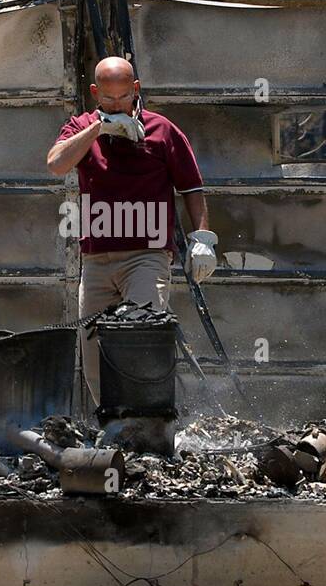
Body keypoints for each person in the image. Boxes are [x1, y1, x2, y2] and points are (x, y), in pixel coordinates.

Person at [46, 56, 217, 405]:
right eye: (108, 99)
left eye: (123, 97)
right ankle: (112, 426)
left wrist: (202, 239)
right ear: (95, 93)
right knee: (93, 351)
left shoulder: (163, 130)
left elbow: (191, 188)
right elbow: (56, 163)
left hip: (146, 257)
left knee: (142, 337)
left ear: (135, 89)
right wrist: (98, 128)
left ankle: (148, 424)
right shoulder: (81, 126)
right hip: (96, 261)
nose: (117, 104)